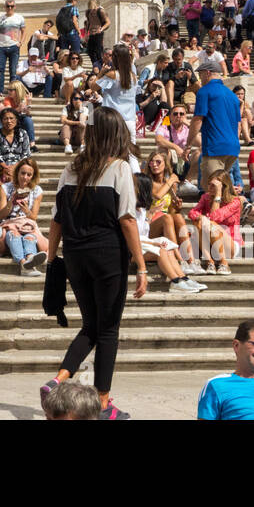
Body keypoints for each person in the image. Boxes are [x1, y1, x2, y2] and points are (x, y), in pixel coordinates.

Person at [41, 107, 147, 420]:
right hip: (107, 257)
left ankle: (58, 379)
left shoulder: (70, 168)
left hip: (75, 257)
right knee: (109, 330)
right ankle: (103, 403)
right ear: (117, 135)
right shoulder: (120, 168)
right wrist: (141, 265)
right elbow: (127, 219)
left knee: (91, 324)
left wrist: (52, 261)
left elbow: (57, 219)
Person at [134, 173, 205, 293]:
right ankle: (175, 281)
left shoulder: (141, 210)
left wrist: (150, 215)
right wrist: (154, 244)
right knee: (162, 250)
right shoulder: (129, 209)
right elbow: (132, 237)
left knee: (168, 247)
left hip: (143, 245)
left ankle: (183, 278)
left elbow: (143, 231)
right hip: (132, 250)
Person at [188, 63, 241, 192]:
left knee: (211, 189)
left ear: (207, 73)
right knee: (223, 189)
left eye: (200, 74)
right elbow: (238, 123)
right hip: (232, 148)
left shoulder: (205, 91)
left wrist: (188, 144)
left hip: (215, 147)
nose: (200, 79)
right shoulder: (232, 96)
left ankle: (243, 203)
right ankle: (242, 204)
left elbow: (197, 120)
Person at [0, 158, 49, 275]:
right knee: (14, 235)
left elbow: (33, 217)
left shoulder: (37, 191)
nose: (25, 177)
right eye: (23, 173)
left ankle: (30, 259)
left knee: (29, 237)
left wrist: (26, 210)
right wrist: (11, 202)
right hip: (10, 223)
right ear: (17, 173)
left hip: (27, 224)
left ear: (33, 176)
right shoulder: (5, 188)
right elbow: (1, 215)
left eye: (29, 175)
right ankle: (23, 263)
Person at [91, 43, 140, 141]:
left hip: (113, 119)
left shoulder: (112, 75)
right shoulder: (134, 77)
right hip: (129, 120)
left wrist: (101, 72)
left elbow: (93, 87)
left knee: (110, 152)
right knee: (131, 154)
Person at [0, 0, 26, 94]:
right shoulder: (0, 18)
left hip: (14, 47)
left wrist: (21, 42)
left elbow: (24, 31)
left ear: (15, 7)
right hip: (2, 47)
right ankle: (0, 91)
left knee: (13, 71)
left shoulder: (19, 18)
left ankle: (12, 92)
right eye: (8, 6)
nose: (10, 8)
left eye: (12, 6)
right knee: (1, 70)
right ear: (5, 7)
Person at [84, 0, 110, 69]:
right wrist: (86, 33)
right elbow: (88, 23)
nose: (92, 9)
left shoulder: (100, 11)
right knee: (90, 51)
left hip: (98, 33)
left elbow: (108, 22)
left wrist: (101, 29)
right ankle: (95, 65)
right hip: (91, 33)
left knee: (98, 51)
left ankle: (100, 66)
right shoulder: (88, 12)